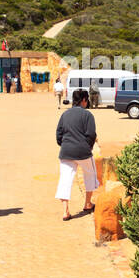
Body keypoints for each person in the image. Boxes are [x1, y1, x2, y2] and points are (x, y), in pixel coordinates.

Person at [55, 88, 99, 221]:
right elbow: (91, 134)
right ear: (84, 100)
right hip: (83, 151)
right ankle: (87, 203)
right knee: (90, 175)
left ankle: (65, 211)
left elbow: (59, 134)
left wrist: (64, 144)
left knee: (65, 179)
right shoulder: (87, 115)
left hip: (66, 151)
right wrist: (88, 146)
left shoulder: (65, 114)